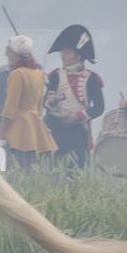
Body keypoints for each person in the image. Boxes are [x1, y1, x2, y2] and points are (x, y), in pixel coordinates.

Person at [43, 24, 105, 168]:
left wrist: (78, 116)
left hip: (78, 132)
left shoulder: (92, 78)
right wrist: (52, 101)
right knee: (54, 170)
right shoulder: (55, 76)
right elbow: (45, 103)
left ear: (79, 55)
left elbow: (99, 107)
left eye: (68, 52)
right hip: (55, 129)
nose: (63, 56)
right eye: (63, 52)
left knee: (77, 170)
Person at [0, 35, 57, 171]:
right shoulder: (38, 73)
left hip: (18, 128)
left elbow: (10, 108)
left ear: (14, 54)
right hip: (35, 125)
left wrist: (1, 134)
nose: (7, 54)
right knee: (31, 169)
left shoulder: (17, 74)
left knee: (3, 168)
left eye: (9, 51)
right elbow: (39, 106)